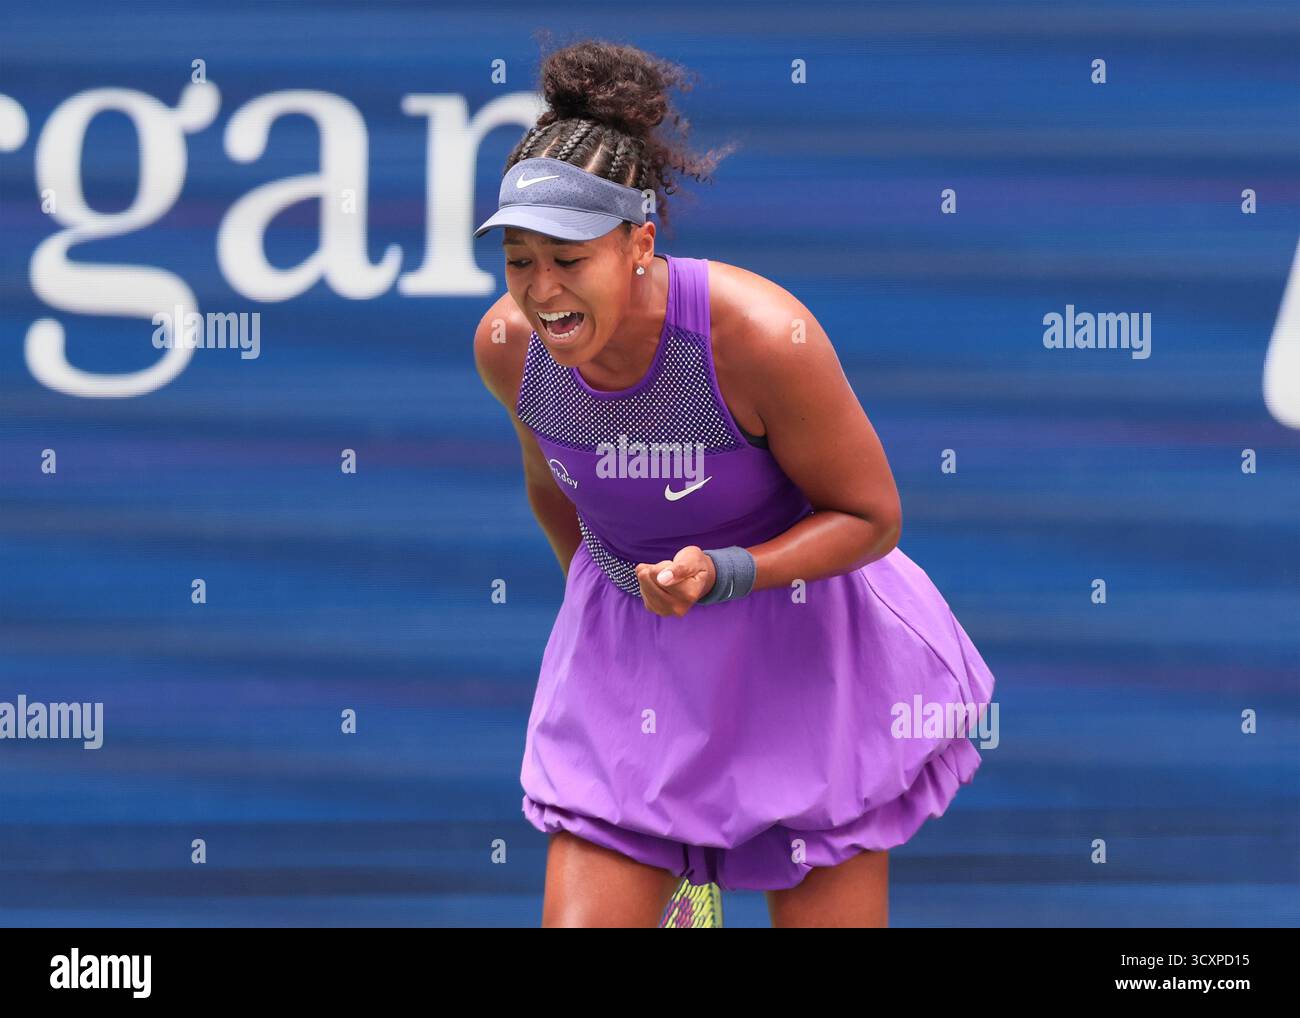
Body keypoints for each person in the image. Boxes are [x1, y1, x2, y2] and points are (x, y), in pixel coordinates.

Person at [473, 38, 996, 928]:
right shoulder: (511, 349)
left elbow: (871, 517)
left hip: (805, 644)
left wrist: (726, 574)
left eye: (570, 259)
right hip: (639, 655)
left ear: (639, 244)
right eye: (520, 259)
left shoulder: (756, 338)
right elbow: (555, 490)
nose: (542, 289)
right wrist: (620, 636)